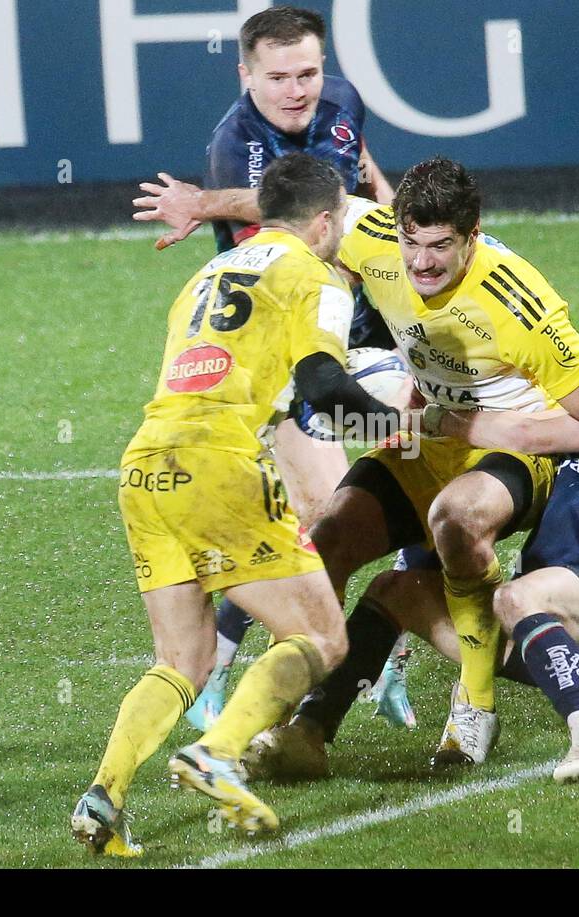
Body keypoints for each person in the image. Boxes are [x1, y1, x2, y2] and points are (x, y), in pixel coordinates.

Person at [247, 157, 579, 775]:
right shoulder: (373, 237)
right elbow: (297, 207)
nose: (422, 262)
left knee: (455, 518)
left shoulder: (518, 301)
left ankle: (474, 712)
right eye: (412, 243)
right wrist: (200, 204)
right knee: (327, 541)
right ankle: (291, 728)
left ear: (472, 234)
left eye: (440, 246)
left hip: (513, 453)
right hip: (430, 436)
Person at [70, 154, 417, 854]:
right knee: (322, 639)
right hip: (220, 465)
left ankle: (103, 796)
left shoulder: (203, 275)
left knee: (181, 659)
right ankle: (217, 752)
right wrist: (393, 427)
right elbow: (322, 384)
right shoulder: (318, 276)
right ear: (327, 221)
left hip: (145, 462)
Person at [130, 6, 407, 731]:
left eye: (308, 72)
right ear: (244, 73)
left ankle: (384, 663)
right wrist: (205, 202)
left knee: (399, 484)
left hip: (362, 320)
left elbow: (355, 177)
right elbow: (285, 206)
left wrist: (394, 206)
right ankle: (234, 670)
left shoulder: (343, 99)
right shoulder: (233, 147)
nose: (297, 90)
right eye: (277, 76)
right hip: (286, 359)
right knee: (328, 511)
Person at [336, 308, 579, 782]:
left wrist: (434, 418)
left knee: (514, 595)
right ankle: (310, 726)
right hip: (537, 619)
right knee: (396, 590)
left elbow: (528, 432)